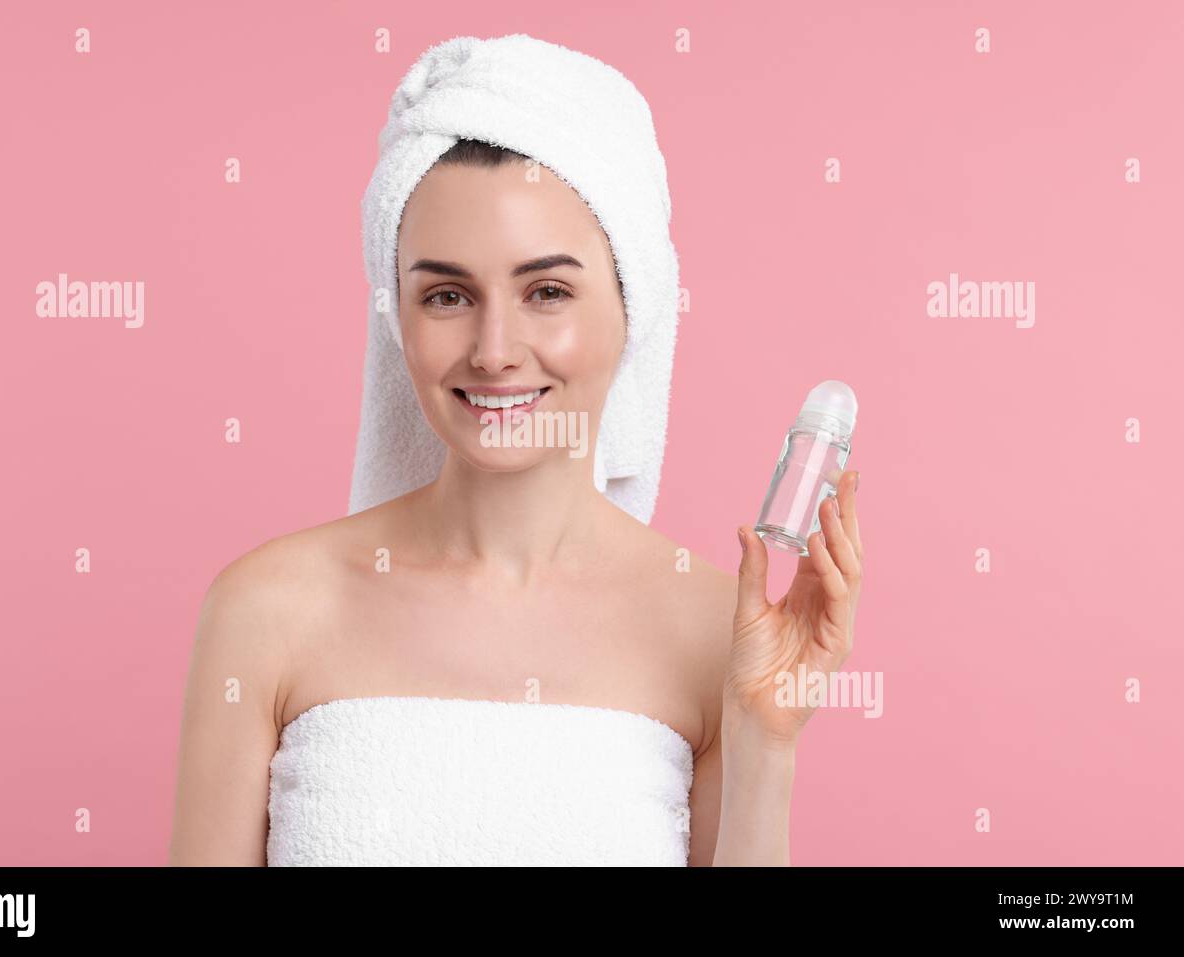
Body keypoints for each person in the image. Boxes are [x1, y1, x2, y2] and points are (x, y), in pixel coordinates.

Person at [168, 35, 863, 867]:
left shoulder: (718, 633)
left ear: (633, 306)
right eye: (448, 294)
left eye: (547, 292)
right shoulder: (267, 612)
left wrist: (766, 741)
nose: (494, 350)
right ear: (399, 317)